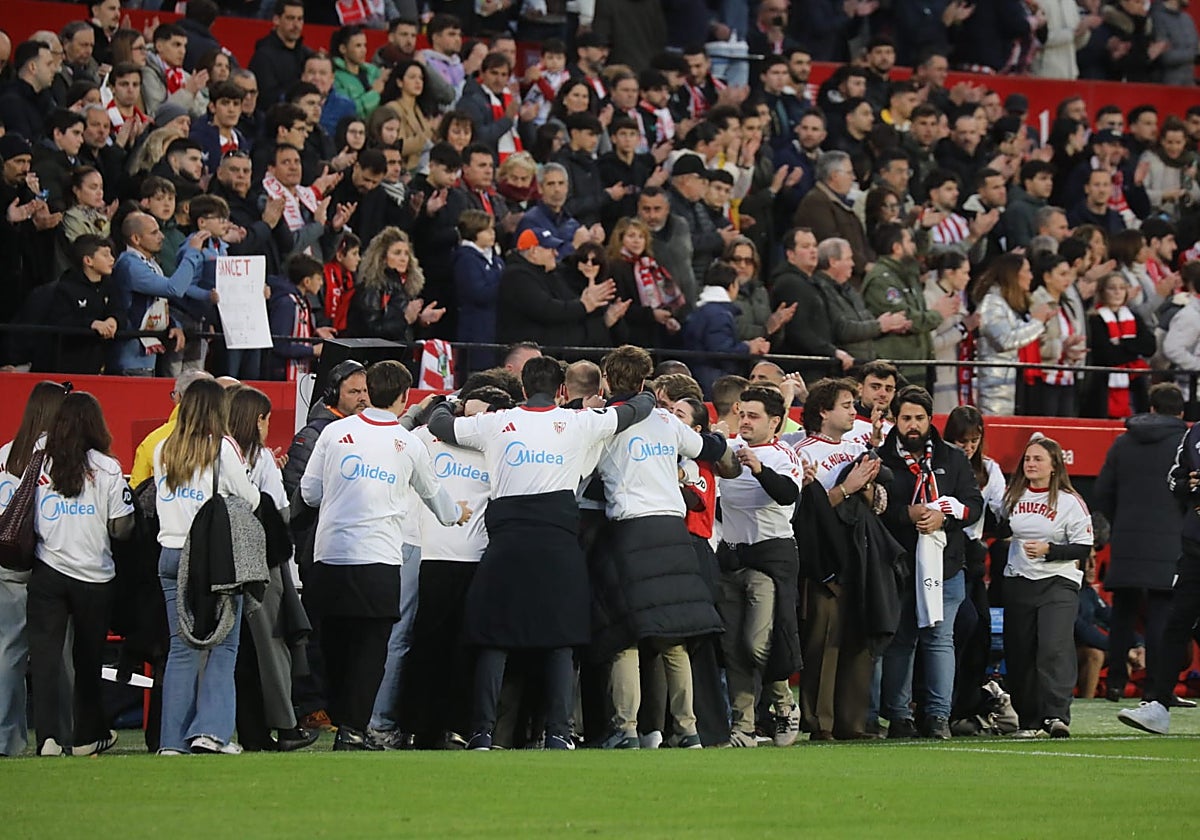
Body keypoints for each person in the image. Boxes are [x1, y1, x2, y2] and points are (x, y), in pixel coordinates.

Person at [426, 356, 656, 750]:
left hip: (507, 540)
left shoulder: (496, 423)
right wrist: (648, 393)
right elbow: (637, 409)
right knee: (560, 636)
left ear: (522, 387)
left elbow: (438, 424)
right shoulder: (579, 422)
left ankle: (481, 732)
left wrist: (454, 400)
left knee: (493, 635)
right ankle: (558, 733)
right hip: (557, 540)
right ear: (561, 390)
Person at [300, 361, 469, 750]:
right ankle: (353, 729)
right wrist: (457, 512)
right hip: (379, 558)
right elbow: (439, 503)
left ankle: (339, 717)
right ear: (404, 397)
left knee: (334, 644)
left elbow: (309, 494)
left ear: (369, 391)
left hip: (331, 555)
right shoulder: (408, 444)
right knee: (371, 647)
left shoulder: (334, 433)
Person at [590, 346, 731, 749]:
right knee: (675, 635)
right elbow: (709, 449)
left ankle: (626, 729)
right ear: (643, 382)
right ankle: (688, 729)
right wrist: (720, 439)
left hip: (630, 531)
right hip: (672, 531)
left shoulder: (602, 422)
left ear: (607, 380)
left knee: (626, 637)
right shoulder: (666, 420)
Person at [153, 378, 262, 755]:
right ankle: (211, 732)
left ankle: (171, 742)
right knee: (224, 646)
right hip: (212, 559)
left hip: (170, 553)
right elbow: (250, 498)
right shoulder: (224, 448)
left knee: (181, 649)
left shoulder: (163, 448)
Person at [28, 392, 132, 758]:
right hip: (94, 575)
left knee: (44, 659)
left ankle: (47, 738)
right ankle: (87, 736)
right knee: (88, 659)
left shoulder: (40, 461)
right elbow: (121, 528)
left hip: (48, 568)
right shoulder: (108, 468)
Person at [877, 385, 983, 740]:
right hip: (899, 564)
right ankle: (899, 717)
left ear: (929, 419)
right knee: (901, 639)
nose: (913, 425)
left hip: (945, 565)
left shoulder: (953, 458)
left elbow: (974, 505)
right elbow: (874, 510)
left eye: (919, 418)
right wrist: (905, 514)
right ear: (895, 419)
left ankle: (938, 716)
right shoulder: (880, 458)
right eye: (906, 417)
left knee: (940, 639)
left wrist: (944, 518)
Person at [793, 377, 886, 741]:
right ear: (823, 412)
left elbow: (879, 504)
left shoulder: (857, 447)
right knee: (824, 639)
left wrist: (869, 488)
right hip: (824, 557)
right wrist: (848, 487)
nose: (853, 412)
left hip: (861, 552)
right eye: (846, 406)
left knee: (857, 637)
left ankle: (853, 722)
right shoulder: (803, 452)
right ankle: (820, 722)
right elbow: (804, 513)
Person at [716, 385, 806, 747]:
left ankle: (784, 704)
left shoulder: (783, 455)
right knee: (732, 647)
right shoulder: (728, 450)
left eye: (754, 416)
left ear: (775, 422)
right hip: (731, 556)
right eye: (743, 415)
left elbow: (787, 493)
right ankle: (744, 725)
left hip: (769, 557)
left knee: (757, 643)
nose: (746, 422)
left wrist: (759, 468)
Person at [1093, 383, 1187, 703]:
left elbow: (1102, 492)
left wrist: (1122, 522)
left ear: (1151, 408)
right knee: (1162, 613)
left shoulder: (1123, 442)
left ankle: (1116, 682)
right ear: (1181, 413)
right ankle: (1155, 688)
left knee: (1123, 611)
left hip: (1127, 540)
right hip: (1171, 543)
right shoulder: (1185, 444)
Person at [1003, 435, 1094, 739]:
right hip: (1019, 579)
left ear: (1054, 465)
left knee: (1053, 647)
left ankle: (1055, 715)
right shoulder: (1013, 495)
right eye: (1028, 459)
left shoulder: (1070, 502)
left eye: (1038, 459)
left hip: (1058, 581)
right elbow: (997, 526)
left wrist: (1049, 550)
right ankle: (1028, 720)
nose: (1031, 464)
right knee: (1020, 651)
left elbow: (1083, 546)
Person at [1120, 400, 1200, 734]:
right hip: (1195, 545)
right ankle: (1159, 706)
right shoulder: (1195, 434)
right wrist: (1189, 486)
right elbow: (1174, 479)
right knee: (1178, 623)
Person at [0, 381, 68, 756]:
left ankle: (5, 738)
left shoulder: (6, 453)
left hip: (7, 560)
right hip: (47, 562)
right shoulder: (57, 458)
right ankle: (62, 735)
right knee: (57, 653)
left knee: (8, 651)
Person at [941, 406, 1008, 732]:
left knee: (979, 631)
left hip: (973, 557)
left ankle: (965, 707)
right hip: (943, 552)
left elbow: (1003, 508)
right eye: (961, 440)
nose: (967, 447)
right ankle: (942, 705)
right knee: (959, 626)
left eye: (973, 441)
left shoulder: (990, 470)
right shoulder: (939, 465)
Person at [974, 253, 1053, 416]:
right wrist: (1037, 322)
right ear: (1013, 274)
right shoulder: (992, 303)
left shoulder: (1004, 303)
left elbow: (1016, 332)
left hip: (1007, 386)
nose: (1031, 276)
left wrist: (1040, 323)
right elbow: (1005, 340)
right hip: (994, 391)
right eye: (1027, 271)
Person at [682, 261, 771, 397]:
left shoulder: (701, 310)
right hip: (713, 383)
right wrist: (748, 348)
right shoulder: (719, 314)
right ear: (732, 286)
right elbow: (720, 351)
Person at [1083, 272, 1156, 419]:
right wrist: (1133, 348)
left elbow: (1150, 347)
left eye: (1122, 288)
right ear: (1102, 291)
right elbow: (1107, 355)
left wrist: (1122, 343)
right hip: (1103, 386)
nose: (1118, 292)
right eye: (1112, 288)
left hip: (1135, 384)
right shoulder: (1095, 319)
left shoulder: (1134, 317)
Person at [607, 216, 683, 350]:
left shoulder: (650, 265)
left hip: (652, 335)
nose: (637, 241)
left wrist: (667, 318)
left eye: (641, 236)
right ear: (620, 238)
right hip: (627, 337)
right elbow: (618, 304)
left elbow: (662, 299)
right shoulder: (613, 266)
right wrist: (651, 315)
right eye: (631, 236)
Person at [1028, 252, 1087, 417]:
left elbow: (1074, 335)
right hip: (1045, 379)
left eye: (1069, 274)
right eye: (1062, 274)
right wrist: (1062, 348)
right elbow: (1033, 344)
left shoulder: (1067, 305)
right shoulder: (1036, 303)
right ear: (1047, 277)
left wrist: (1075, 352)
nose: (1067, 279)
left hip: (1067, 377)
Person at [924, 252, 975, 415]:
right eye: (964, 273)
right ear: (949, 272)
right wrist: (961, 329)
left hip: (960, 375)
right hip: (941, 377)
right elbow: (930, 344)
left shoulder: (957, 299)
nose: (968, 278)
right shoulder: (929, 298)